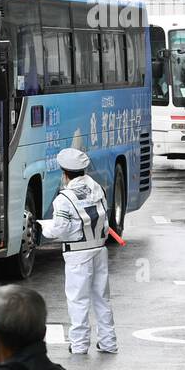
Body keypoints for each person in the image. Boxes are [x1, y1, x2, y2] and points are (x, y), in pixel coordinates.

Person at [35, 147, 117, 355]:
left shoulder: (65, 198)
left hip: (78, 254)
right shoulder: (96, 188)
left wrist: (45, 227)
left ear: (64, 173)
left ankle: (79, 345)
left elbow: (60, 228)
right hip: (99, 249)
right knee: (101, 298)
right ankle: (108, 342)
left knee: (78, 300)